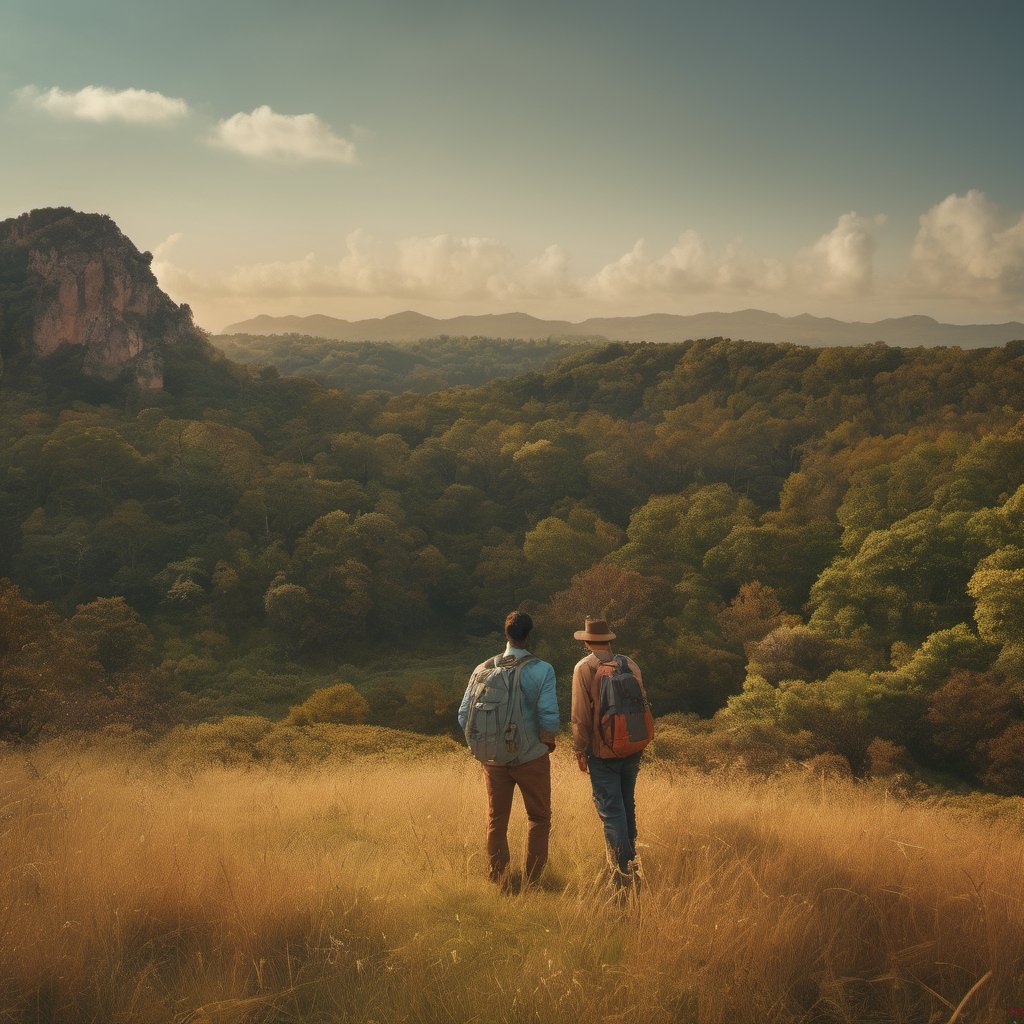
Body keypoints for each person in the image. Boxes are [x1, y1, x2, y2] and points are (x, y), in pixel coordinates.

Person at [458, 610, 559, 889]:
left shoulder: (483, 669)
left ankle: (499, 880)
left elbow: (463, 715)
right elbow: (549, 716)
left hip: (493, 759)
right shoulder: (542, 670)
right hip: (531, 757)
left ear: (506, 635)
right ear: (528, 635)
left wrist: (487, 743)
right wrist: (545, 743)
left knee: (496, 819)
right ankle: (533, 883)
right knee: (538, 818)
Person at [571, 617, 650, 890]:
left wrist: (580, 749)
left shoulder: (584, 668)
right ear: (609, 640)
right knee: (628, 806)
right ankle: (633, 865)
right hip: (632, 747)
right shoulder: (629, 664)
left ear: (586, 642)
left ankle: (621, 875)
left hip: (602, 752)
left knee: (611, 812)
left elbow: (580, 717)